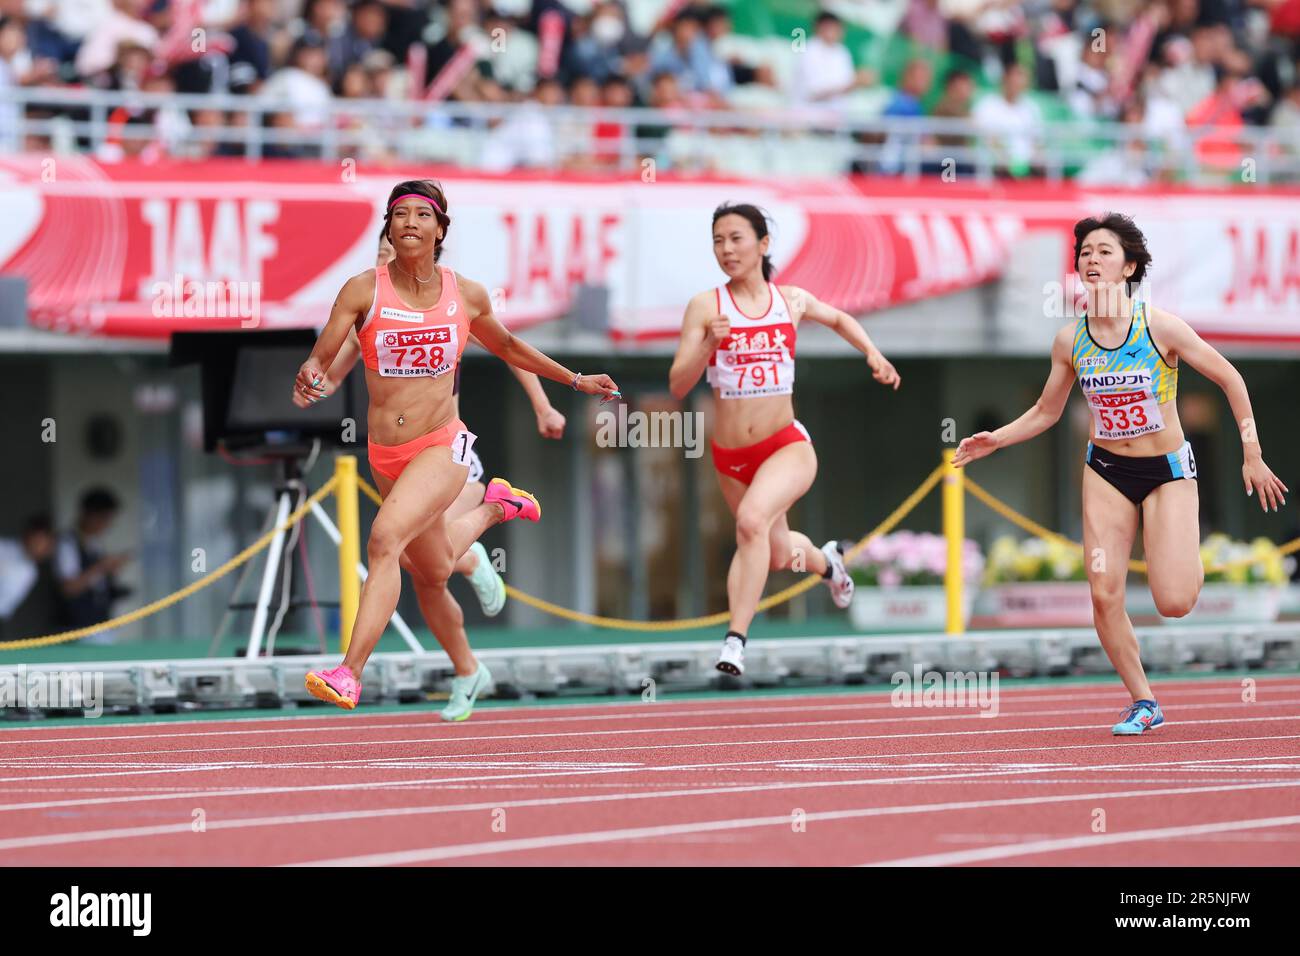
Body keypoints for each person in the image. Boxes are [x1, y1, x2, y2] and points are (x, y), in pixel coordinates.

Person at [953, 212, 1288, 736]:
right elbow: (1047, 411)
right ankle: (1144, 700)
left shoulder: (1159, 328)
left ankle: (1183, 554)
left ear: (1129, 266)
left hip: (1167, 470)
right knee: (1104, 590)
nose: (1091, 259)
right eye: (1085, 252)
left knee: (1173, 602)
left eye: (1104, 251)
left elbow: (1230, 377)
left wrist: (1252, 452)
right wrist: (997, 437)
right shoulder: (1071, 341)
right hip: (1106, 469)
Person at [298, 179, 619, 720]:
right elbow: (321, 359)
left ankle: (348, 673)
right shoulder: (361, 291)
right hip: (386, 453)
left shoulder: (464, 295)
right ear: (387, 229)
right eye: (400, 215)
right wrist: (309, 376)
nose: (410, 223)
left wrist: (573, 381)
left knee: (383, 543)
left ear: (441, 229)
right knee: (434, 570)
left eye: (423, 215)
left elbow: (510, 347)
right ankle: (498, 507)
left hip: (442, 446)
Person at [669, 203, 901, 676]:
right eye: (718, 241)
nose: (727, 249)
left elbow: (838, 319)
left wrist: (872, 353)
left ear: (763, 244)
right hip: (731, 456)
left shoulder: (790, 300)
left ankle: (735, 640)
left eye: (736, 238)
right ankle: (827, 563)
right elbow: (677, 383)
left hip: (786, 446)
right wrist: (708, 345)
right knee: (774, 553)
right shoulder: (706, 306)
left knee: (751, 523)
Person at [297, 228, 570, 623]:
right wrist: (311, 386)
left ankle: (479, 539)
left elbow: (509, 349)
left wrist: (543, 406)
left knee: (401, 550)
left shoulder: (444, 310)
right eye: (382, 254)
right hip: (398, 455)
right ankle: (468, 669)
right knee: (424, 567)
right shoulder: (371, 314)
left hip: (446, 450)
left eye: (397, 252)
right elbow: (331, 374)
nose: (388, 262)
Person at [55, 488, 132, 643]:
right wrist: (102, 566)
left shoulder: (94, 543)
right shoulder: (67, 544)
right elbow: (69, 588)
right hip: (77, 628)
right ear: (89, 514)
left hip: (101, 625)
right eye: (104, 518)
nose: (107, 525)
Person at [0, 514, 58, 641]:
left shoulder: (31, 571)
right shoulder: (3, 547)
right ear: (27, 536)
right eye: (37, 540)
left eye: (45, 543)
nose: (40, 547)